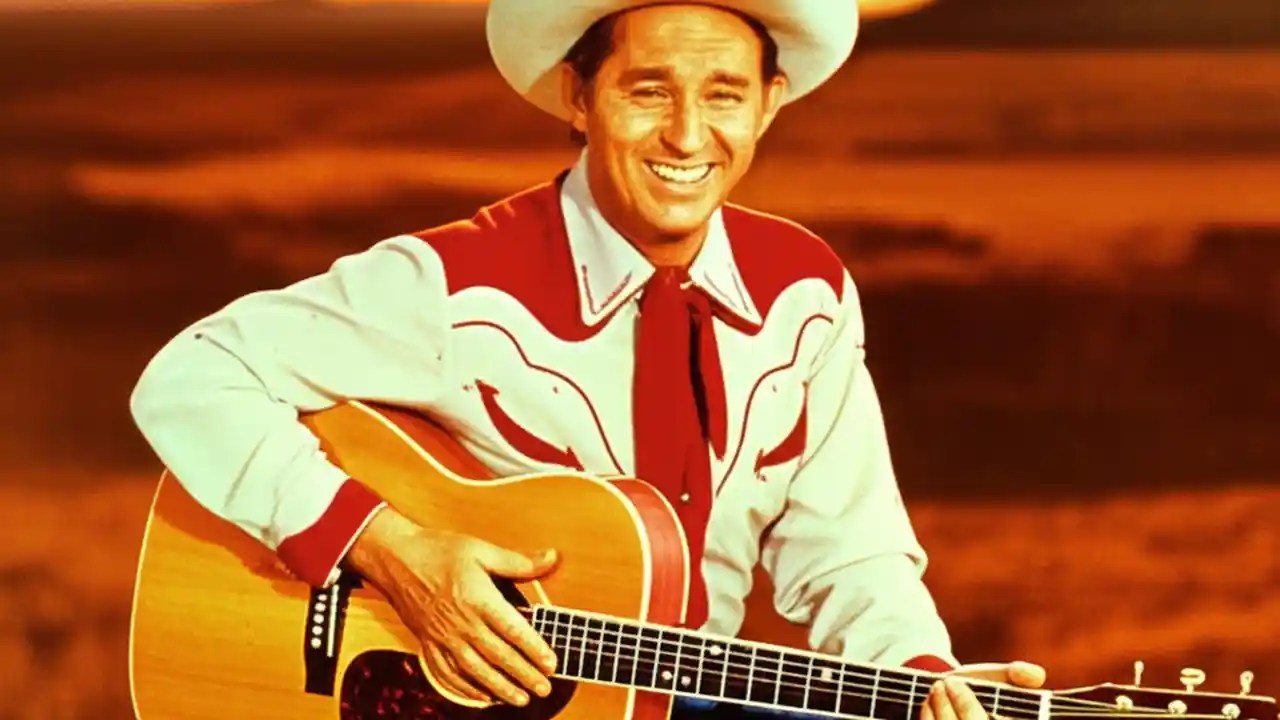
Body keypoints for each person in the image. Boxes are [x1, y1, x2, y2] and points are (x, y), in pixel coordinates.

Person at [129, 1, 1045, 718]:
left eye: (724, 93)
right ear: (579, 96)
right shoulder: (456, 283)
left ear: (769, 103)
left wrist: (924, 679)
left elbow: (853, 555)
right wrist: (390, 550)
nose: (689, 136)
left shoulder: (805, 294)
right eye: (648, 90)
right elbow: (190, 375)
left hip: (688, 701)